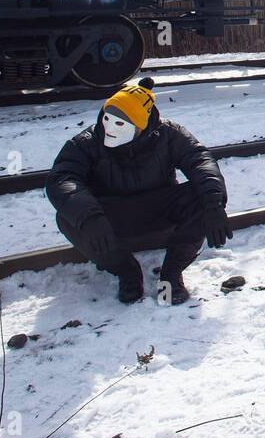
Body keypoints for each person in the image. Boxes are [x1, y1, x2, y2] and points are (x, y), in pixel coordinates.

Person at [45, 77, 232, 304]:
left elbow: (200, 161)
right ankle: (127, 272)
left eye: (120, 124)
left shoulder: (169, 134)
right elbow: (61, 178)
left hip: (160, 208)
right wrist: (90, 217)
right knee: (69, 216)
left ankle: (171, 274)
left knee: (203, 196)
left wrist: (214, 203)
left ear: (141, 126)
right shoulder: (86, 142)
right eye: (106, 118)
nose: (109, 128)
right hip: (112, 217)